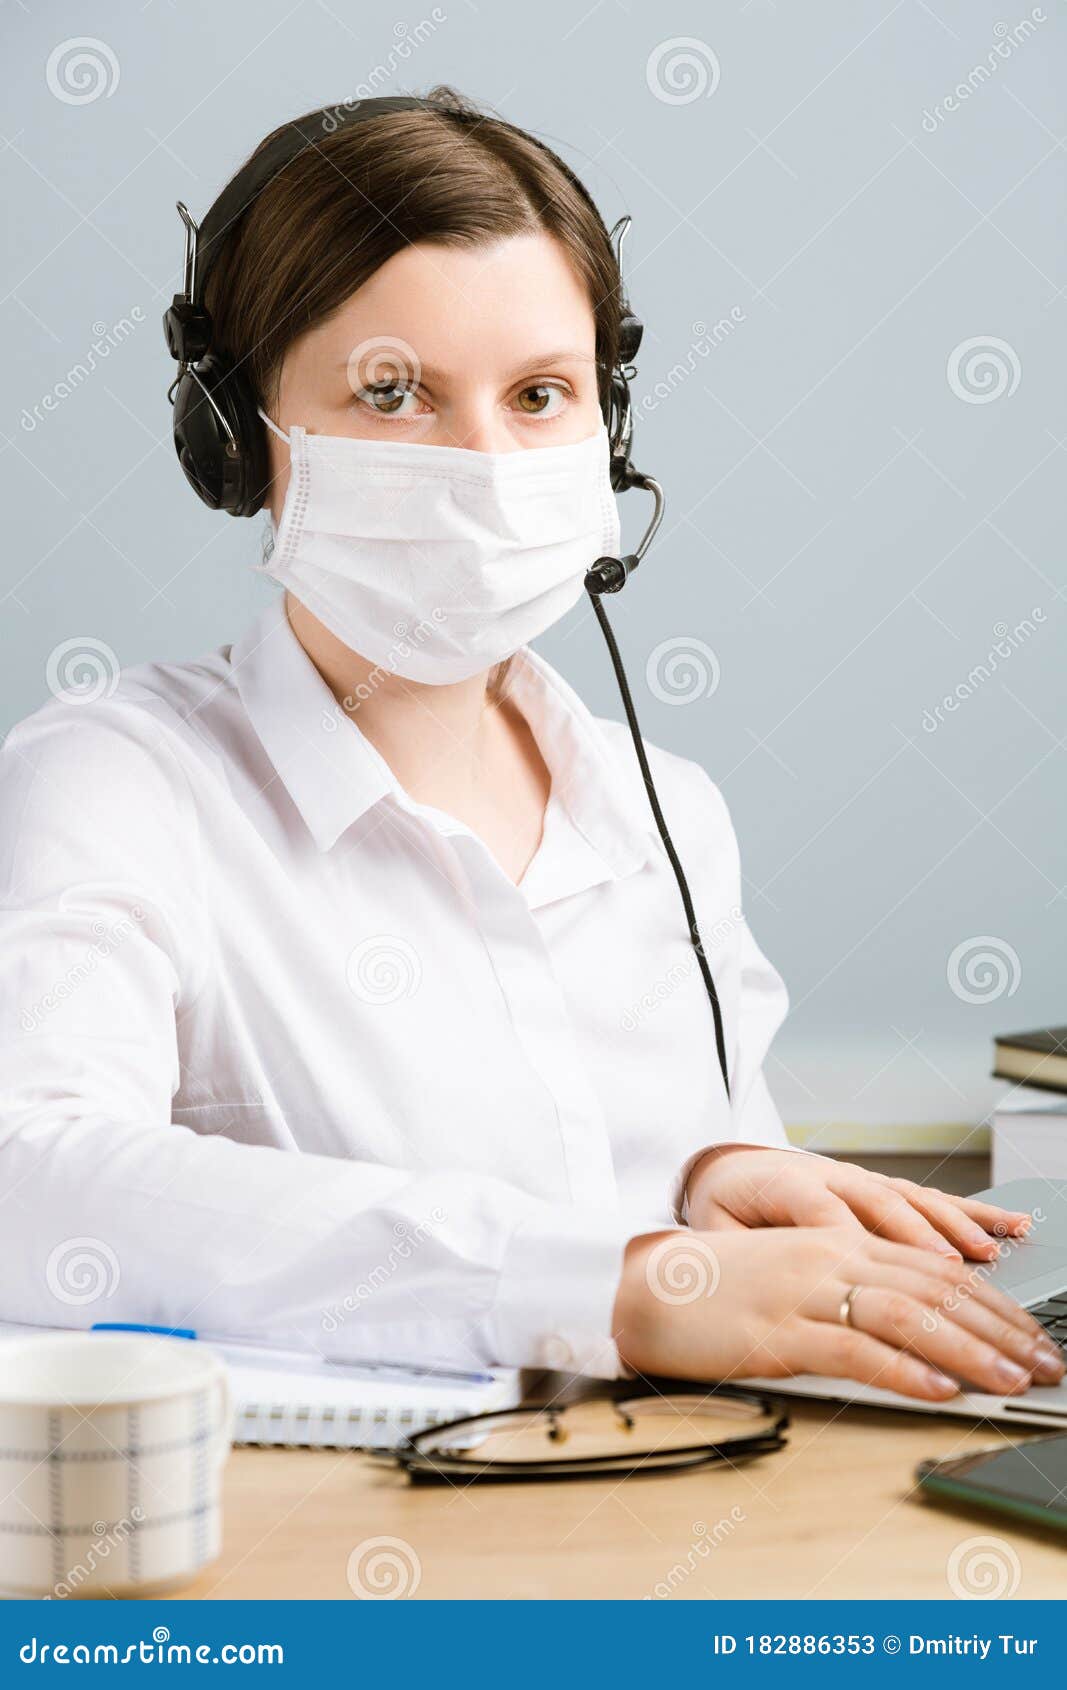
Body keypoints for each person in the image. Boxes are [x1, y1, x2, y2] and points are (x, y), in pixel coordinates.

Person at [0, 87, 1059, 1406]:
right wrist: (614, 1282)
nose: (484, 462)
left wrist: (704, 1174)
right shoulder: (114, 782)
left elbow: (681, 1257)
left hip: (688, 1488)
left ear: (605, 426)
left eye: (541, 393)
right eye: (395, 393)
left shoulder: (661, 807)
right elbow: (35, 1183)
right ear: (238, 436)